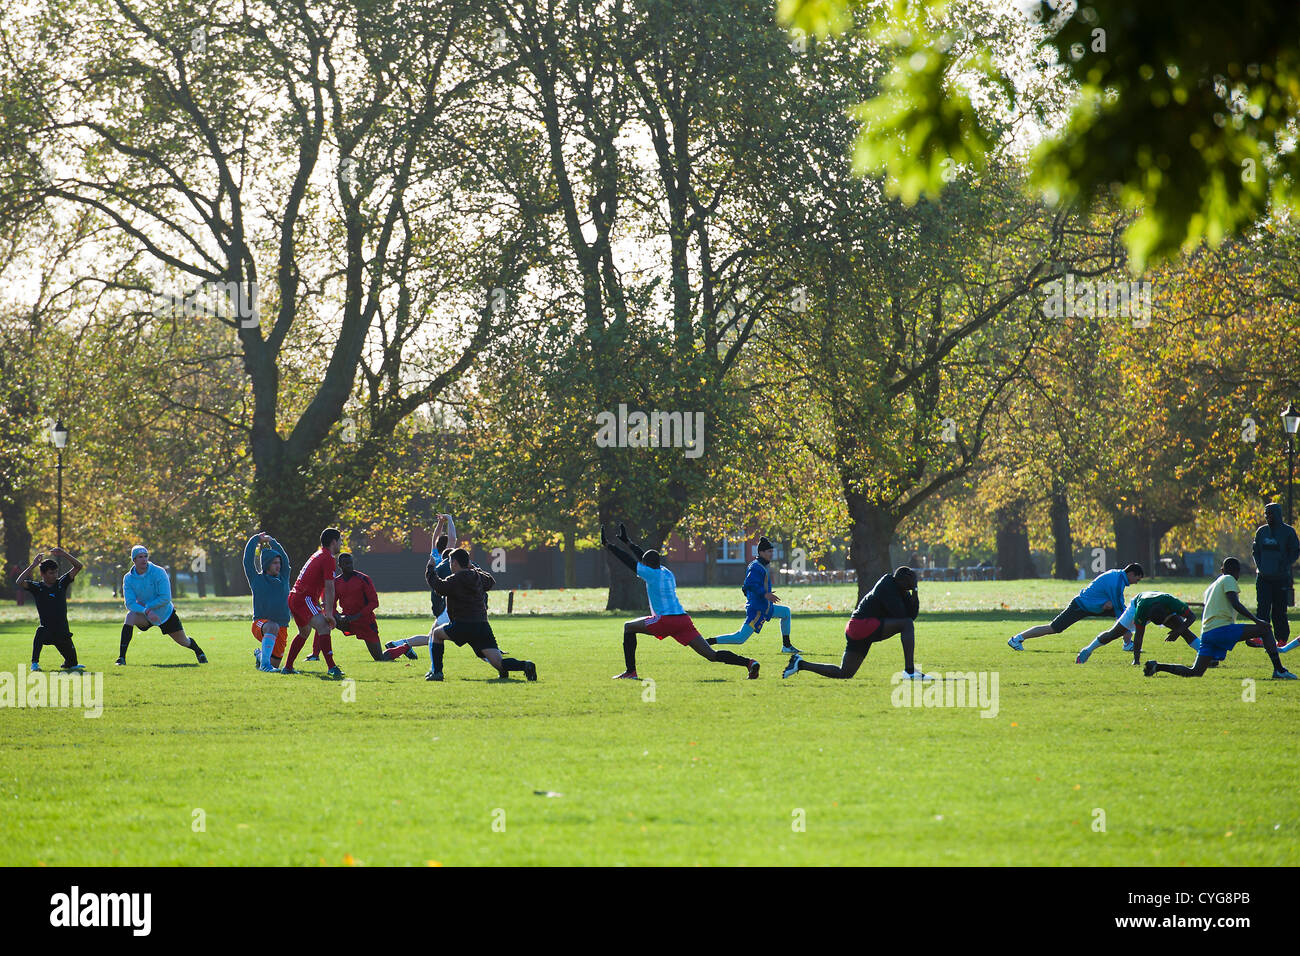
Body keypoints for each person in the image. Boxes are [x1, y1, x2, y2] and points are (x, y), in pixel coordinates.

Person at [603, 523, 759, 681]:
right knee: (711, 655)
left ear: (646, 565)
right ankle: (749, 663)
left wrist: (609, 546)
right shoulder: (666, 572)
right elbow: (645, 558)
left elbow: (630, 562)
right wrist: (628, 542)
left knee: (628, 627)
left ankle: (631, 672)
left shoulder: (651, 575)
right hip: (683, 620)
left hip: (666, 620)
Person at [1144, 557, 1296, 679]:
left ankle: (1158, 666)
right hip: (1222, 629)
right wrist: (1257, 621)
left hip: (1207, 633)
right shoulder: (1229, 579)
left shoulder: (1211, 586)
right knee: (1265, 629)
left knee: (1195, 672)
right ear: (1237, 572)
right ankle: (1279, 670)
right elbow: (1234, 603)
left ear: (1221, 569)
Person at [783, 566, 933, 681]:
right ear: (901, 580)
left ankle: (800, 663)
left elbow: (912, 615)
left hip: (859, 627)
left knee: (845, 673)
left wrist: (915, 590)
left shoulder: (902, 589)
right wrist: (911, 590)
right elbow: (903, 618)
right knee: (905, 624)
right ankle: (910, 671)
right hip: (862, 625)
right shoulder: (887, 586)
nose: (909, 586)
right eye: (909, 583)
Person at [427, 547, 536, 682]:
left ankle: (437, 673)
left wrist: (430, 568)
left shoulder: (455, 579)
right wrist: (475, 569)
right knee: (498, 662)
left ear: (454, 563)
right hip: (482, 625)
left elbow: (438, 586)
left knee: (436, 634)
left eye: (450, 563)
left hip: (462, 624)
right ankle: (526, 665)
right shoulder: (477, 576)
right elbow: (490, 581)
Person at [1009, 563, 1144, 651]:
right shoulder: (1117, 581)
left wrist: (1109, 604)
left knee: (1123, 615)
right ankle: (1017, 639)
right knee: (1054, 628)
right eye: (1137, 579)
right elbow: (1121, 611)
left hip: (1095, 606)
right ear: (1131, 574)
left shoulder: (1118, 576)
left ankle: (1127, 644)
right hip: (1081, 606)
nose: (1136, 583)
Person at [709, 536, 800, 654]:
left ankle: (787, 646)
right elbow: (749, 584)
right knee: (740, 638)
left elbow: (747, 588)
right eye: (769, 551)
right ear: (761, 552)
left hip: (764, 607)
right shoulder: (756, 566)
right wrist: (764, 594)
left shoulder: (760, 565)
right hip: (758, 610)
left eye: (772, 551)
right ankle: (708, 642)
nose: (772, 554)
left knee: (785, 612)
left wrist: (763, 594)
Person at [118, 545, 207, 665]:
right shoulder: (128, 578)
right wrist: (147, 611)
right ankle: (121, 658)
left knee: (183, 641)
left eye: (145, 556)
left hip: (164, 614)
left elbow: (165, 598)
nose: (144, 559)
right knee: (130, 616)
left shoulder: (159, 572)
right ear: (133, 560)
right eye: (140, 557)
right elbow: (129, 603)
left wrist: (148, 607)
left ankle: (199, 651)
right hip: (145, 614)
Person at [385, 514, 455, 661]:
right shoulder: (448, 558)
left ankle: (399, 644)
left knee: (433, 635)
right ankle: (490, 653)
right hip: (446, 600)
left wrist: (440, 524)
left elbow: (434, 538)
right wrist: (449, 520)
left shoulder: (435, 554)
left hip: (437, 598)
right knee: (435, 636)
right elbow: (452, 538)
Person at [282, 528, 344, 678]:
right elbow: (329, 587)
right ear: (334, 542)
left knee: (304, 632)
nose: (341, 543)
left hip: (296, 597)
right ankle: (332, 667)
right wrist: (328, 613)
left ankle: (288, 667)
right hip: (304, 598)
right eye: (340, 540)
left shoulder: (319, 554)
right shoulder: (328, 557)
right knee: (323, 626)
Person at [1074, 590, 1197, 665]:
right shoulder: (1141, 612)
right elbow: (1139, 637)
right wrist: (1136, 660)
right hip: (1138, 603)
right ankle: (1087, 650)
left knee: (1183, 630)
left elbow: (1192, 617)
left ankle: (1205, 654)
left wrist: (1178, 631)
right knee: (1114, 633)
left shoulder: (1172, 602)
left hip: (1158, 602)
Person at [15, 547, 84, 673]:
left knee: (73, 664)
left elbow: (79, 566)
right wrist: (33, 565)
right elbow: (19, 582)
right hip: (47, 633)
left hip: (62, 632)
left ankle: (68, 662)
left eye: (56, 572)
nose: (55, 575)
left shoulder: (61, 583)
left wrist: (64, 554)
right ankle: (35, 663)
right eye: (51, 573)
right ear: (42, 574)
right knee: (40, 630)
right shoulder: (37, 587)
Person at [334, 553, 408, 661]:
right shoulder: (336, 582)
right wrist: (338, 616)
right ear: (339, 565)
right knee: (326, 621)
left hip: (366, 622)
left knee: (380, 658)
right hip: (348, 621)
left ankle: (405, 647)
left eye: (350, 563)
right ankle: (318, 656)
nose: (349, 566)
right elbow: (330, 604)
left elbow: (374, 602)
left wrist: (357, 615)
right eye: (346, 564)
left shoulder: (363, 579)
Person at [1248, 502, 1299, 648]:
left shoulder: (1288, 532)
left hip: (1281, 578)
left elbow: (1295, 551)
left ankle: (1281, 639)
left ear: (1278, 514)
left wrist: (1285, 565)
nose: (1268, 516)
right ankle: (1260, 637)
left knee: (1279, 611)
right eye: (1266, 513)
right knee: (1262, 609)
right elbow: (1255, 551)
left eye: (1271, 513)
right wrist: (1261, 567)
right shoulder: (1261, 531)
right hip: (1263, 578)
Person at [243, 531, 291, 672]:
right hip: (260, 623)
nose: (278, 565)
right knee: (272, 626)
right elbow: (247, 560)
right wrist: (256, 539)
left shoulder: (283, 578)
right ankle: (265, 666)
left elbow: (286, 561)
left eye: (279, 563)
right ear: (266, 564)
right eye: (275, 563)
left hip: (282, 626)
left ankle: (261, 656)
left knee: (275, 664)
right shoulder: (256, 579)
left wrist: (273, 542)